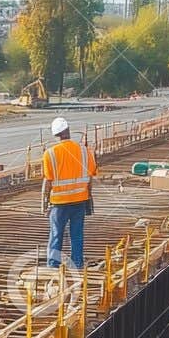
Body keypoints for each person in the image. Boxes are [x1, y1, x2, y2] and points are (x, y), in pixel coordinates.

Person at [40, 116, 96, 271]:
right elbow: (90, 178)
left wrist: (44, 204)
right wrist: (89, 197)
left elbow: (48, 181)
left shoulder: (50, 154)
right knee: (77, 234)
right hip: (79, 200)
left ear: (56, 135)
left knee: (56, 234)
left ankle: (53, 265)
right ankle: (77, 264)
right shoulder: (85, 151)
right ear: (69, 131)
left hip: (59, 203)